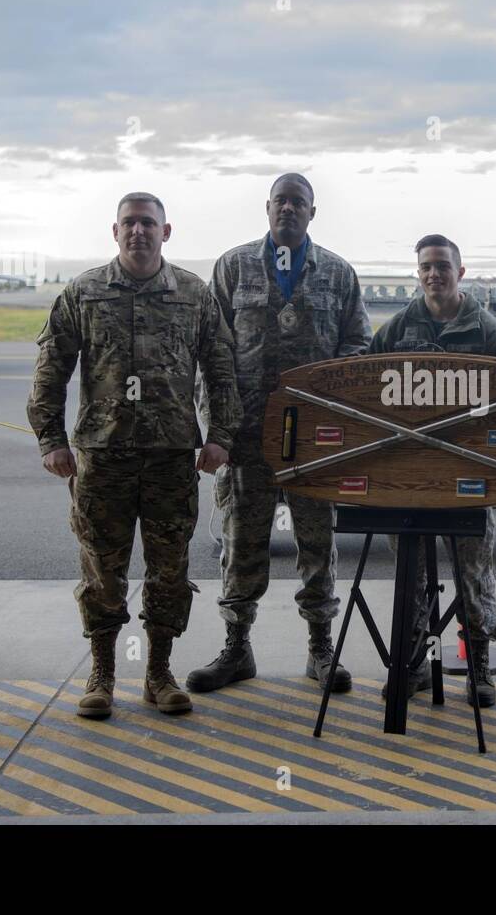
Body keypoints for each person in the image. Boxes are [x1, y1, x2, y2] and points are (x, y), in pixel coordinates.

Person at [28, 192, 240, 720]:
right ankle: (101, 675)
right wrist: (50, 439)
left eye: (149, 223)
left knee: (169, 569)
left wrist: (221, 436)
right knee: (102, 569)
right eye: (130, 223)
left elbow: (222, 371)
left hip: (171, 457)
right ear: (115, 230)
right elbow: (51, 370)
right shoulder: (84, 293)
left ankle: (159, 673)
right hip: (103, 456)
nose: (138, 231)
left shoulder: (193, 294)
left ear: (166, 232)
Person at [187, 173, 371, 695]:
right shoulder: (233, 266)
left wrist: (341, 426)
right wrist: (216, 430)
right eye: (281, 201)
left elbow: (357, 350)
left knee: (318, 541)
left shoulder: (338, 273)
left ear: (313, 212)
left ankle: (320, 647)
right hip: (247, 437)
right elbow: (211, 356)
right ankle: (236, 647)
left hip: (315, 440)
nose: (288, 209)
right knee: (242, 543)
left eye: (299, 202)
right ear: (267, 208)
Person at [367, 234, 496, 707]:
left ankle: (479, 667)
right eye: (426, 267)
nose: (434, 274)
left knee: (473, 574)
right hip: (410, 478)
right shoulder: (396, 330)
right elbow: (368, 393)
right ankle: (413, 664)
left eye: (443, 266)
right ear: (419, 273)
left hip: (470, 476)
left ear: (461, 270)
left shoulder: (490, 331)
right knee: (411, 576)